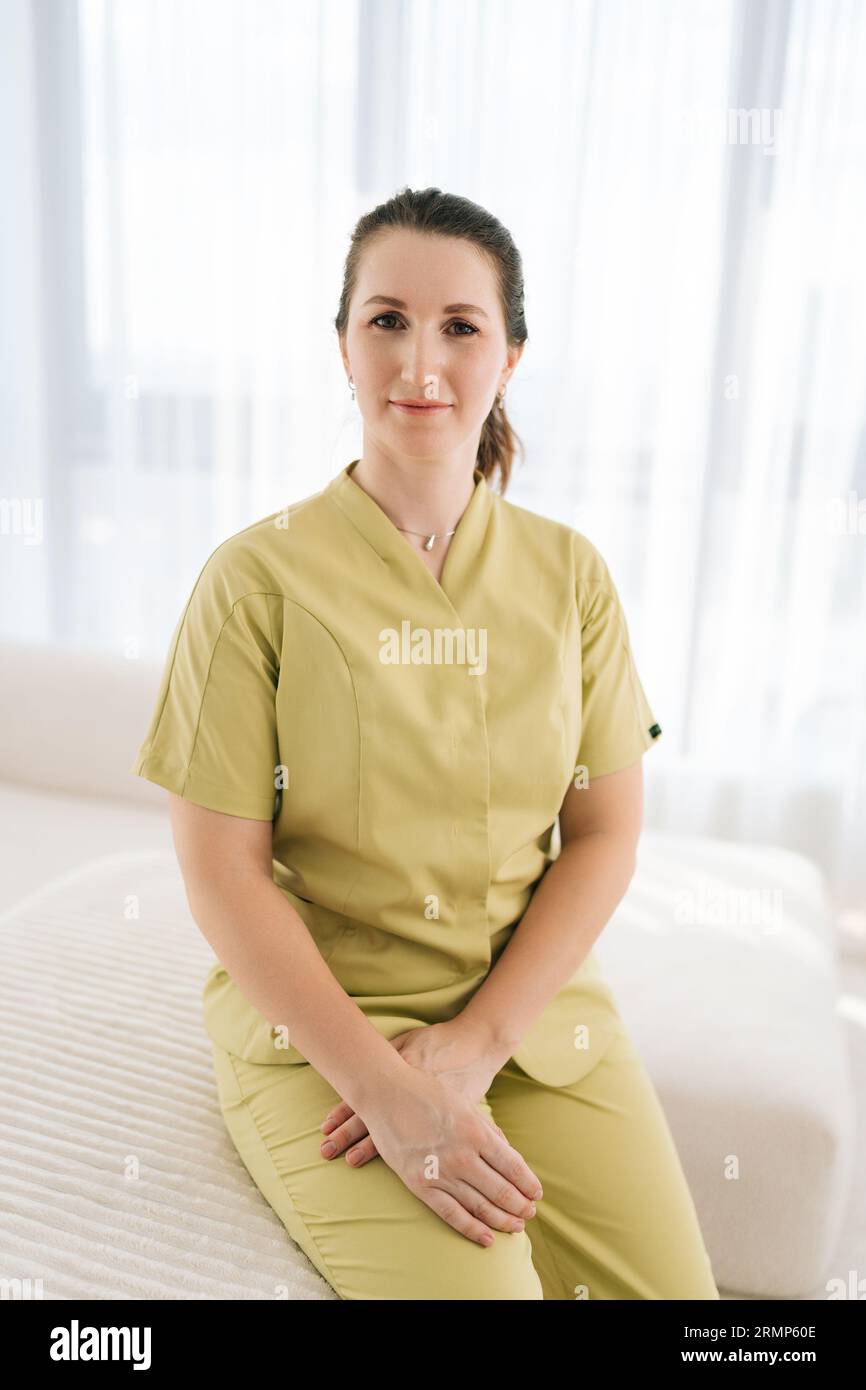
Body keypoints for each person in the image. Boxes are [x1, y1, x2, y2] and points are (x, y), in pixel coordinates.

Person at [131, 186, 720, 1301]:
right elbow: (221, 872)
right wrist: (389, 1092)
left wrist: (477, 1045)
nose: (419, 359)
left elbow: (602, 833)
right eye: (386, 319)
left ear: (509, 357)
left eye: (460, 326)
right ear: (342, 345)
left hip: (530, 1015)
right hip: (327, 1027)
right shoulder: (254, 581)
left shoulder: (569, 576)